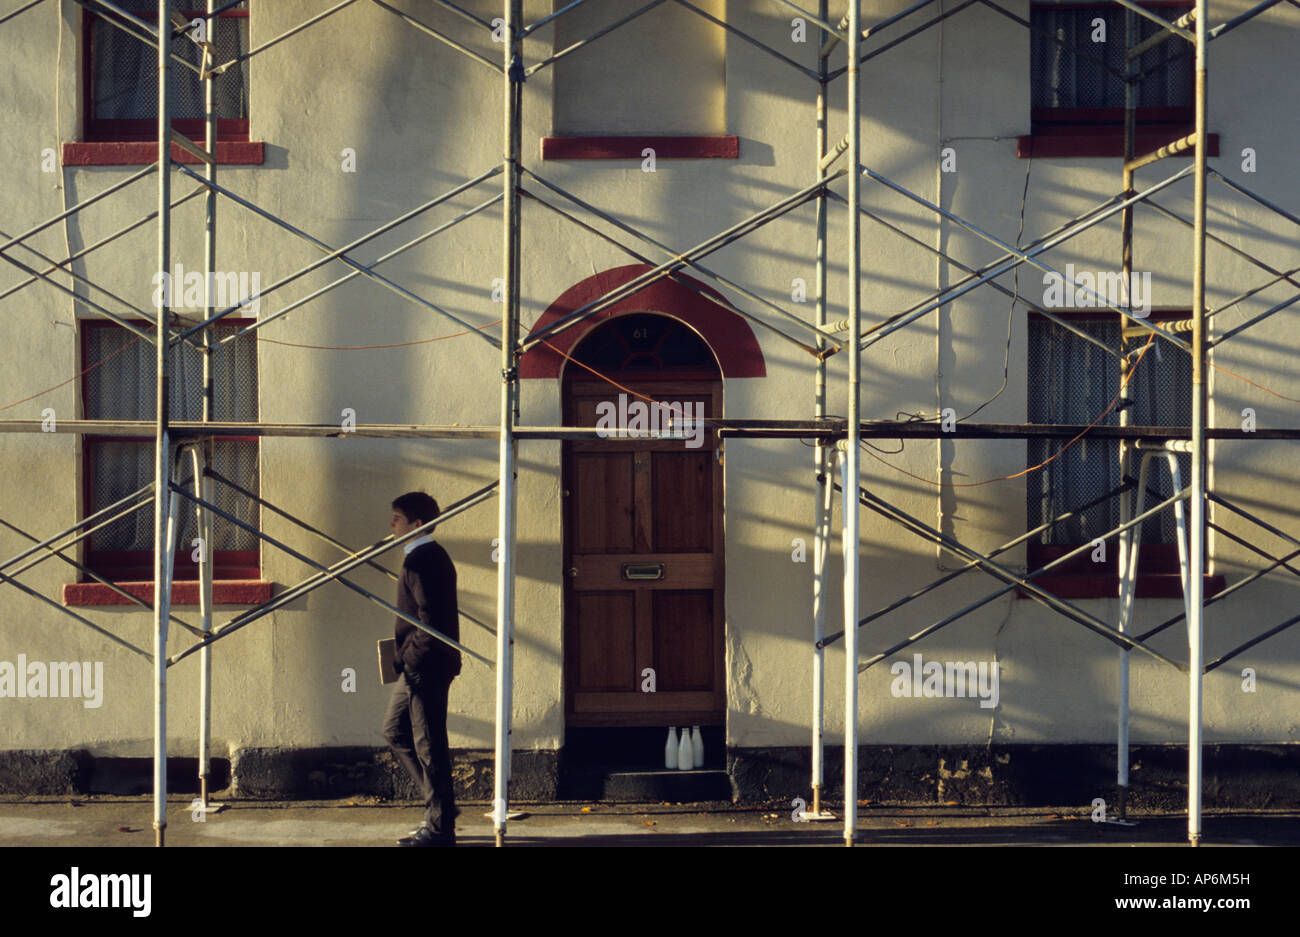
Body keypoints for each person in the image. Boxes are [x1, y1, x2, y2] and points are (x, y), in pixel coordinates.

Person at [382, 491, 463, 847]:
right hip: (417, 664)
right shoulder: (418, 556)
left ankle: (441, 827)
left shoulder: (424, 560)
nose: (391, 525)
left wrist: (407, 659)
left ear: (417, 524)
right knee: (395, 731)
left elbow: (432, 623)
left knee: (429, 743)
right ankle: (440, 806)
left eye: (397, 519)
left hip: (425, 665)